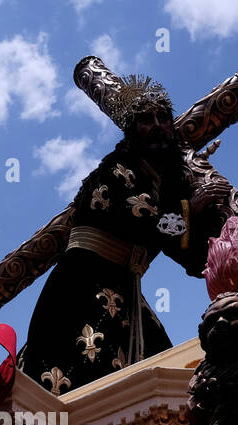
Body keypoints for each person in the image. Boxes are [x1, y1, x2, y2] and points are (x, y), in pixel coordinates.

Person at [18, 80, 203, 396]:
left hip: (125, 288)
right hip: (83, 283)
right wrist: (191, 209)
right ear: (132, 129)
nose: (157, 126)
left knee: (160, 367)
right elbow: (142, 219)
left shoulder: (165, 181)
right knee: (78, 371)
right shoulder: (116, 169)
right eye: (147, 119)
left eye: (163, 118)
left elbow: (187, 252)